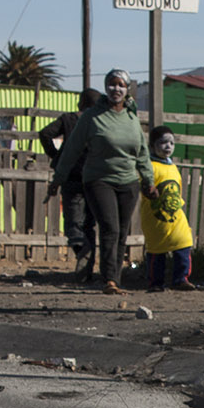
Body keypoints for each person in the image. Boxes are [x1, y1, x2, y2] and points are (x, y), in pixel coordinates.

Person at [51, 69, 154, 293]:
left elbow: (142, 152)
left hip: (128, 181)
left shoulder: (131, 118)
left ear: (127, 90)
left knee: (122, 231)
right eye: (111, 84)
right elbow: (72, 149)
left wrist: (148, 180)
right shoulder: (92, 117)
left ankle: (115, 278)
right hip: (99, 179)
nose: (116, 89)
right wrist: (58, 178)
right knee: (110, 227)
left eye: (121, 85)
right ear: (106, 88)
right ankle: (109, 279)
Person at [38, 88, 101, 281]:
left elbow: (45, 134)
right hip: (94, 176)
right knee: (89, 224)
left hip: (71, 175)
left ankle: (82, 248)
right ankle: (86, 272)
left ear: (80, 103)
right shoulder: (99, 122)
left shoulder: (69, 119)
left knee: (74, 223)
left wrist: (57, 156)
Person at [140, 127, 195, 293]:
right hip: (156, 218)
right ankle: (156, 283)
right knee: (157, 250)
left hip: (176, 216)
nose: (168, 147)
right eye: (162, 143)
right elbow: (143, 185)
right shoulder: (149, 167)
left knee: (184, 242)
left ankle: (181, 279)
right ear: (152, 145)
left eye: (171, 143)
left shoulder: (173, 167)